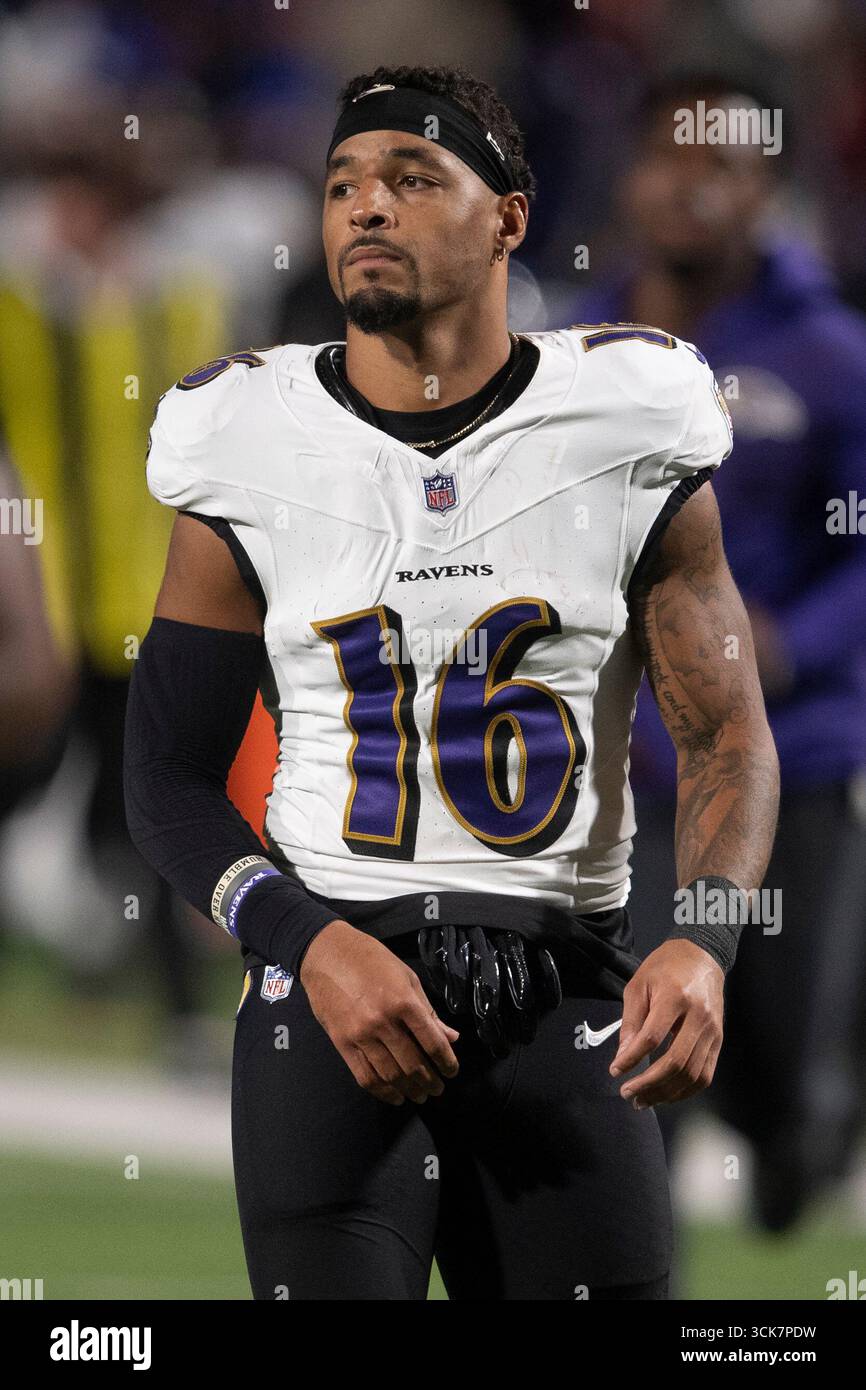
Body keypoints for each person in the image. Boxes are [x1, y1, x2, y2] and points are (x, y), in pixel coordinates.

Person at [124, 64, 778, 1301]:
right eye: (341, 185)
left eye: (413, 178)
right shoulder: (248, 438)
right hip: (330, 996)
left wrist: (702, 942)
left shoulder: (624, 418)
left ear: (508, 220)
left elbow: (727, 738)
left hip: (566, 993)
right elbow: (163, 773)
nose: (365, 206)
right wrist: (305, 942)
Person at [575, 71, 866, 1231]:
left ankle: (810, 1120)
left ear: (768, 191)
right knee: (635, 1071)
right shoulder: (576, 349)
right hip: (628, 773)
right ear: (632, 174)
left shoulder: (832, 355)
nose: (691, 186)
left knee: (777, 1074)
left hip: (786, 756)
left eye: (724, 165)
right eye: (670, 156)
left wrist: (796, 641)